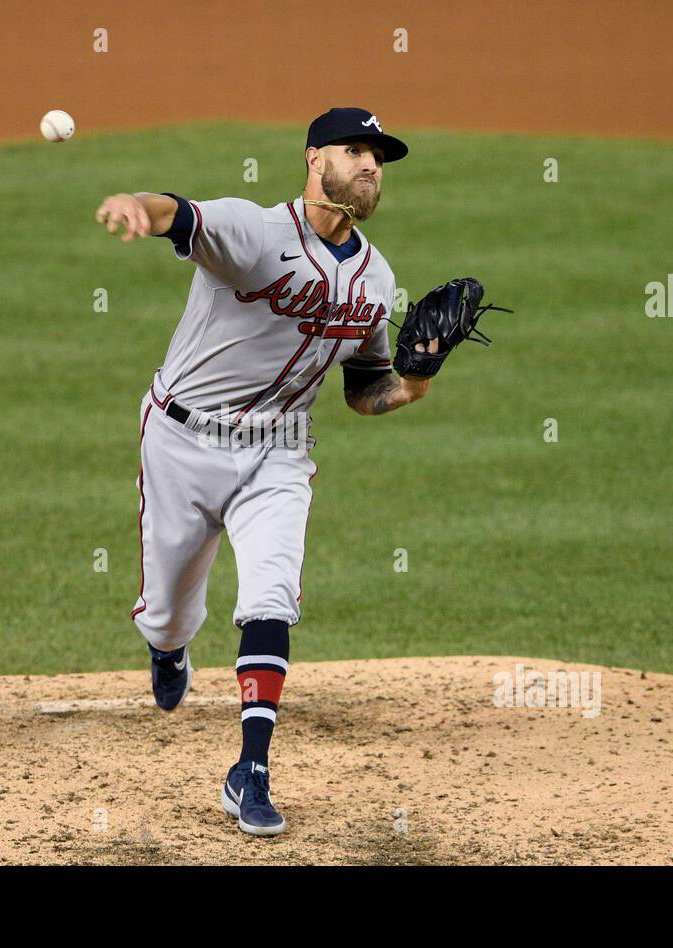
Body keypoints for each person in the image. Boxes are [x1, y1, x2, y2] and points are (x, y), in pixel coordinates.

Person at [94, 108, 442, 836]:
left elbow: (364, 391)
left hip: (279, 451)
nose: (372, 165)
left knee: (272, 597)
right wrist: (139, 208)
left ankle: (250, 769)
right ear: (315, 159)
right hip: (182, 442)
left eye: (379, 156)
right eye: (356, 151)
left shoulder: (376, 280)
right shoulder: (253, 232)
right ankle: (167, 649)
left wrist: (416, 384)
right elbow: (180, 215)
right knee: (166, 613)